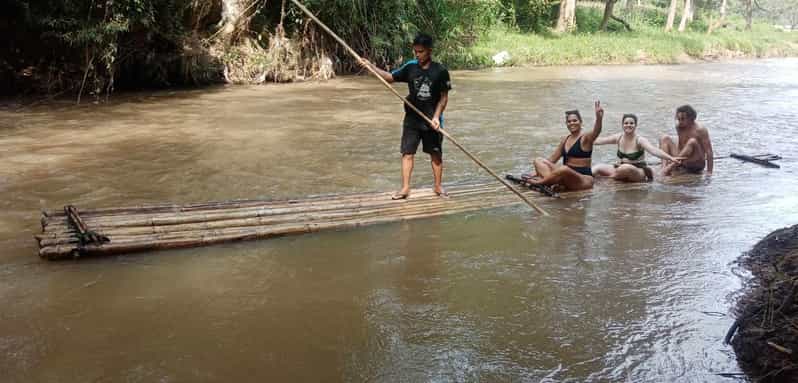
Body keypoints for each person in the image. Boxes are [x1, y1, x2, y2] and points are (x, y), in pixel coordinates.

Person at [359, 33, 452, 199]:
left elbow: (444, 98)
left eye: (421, 52)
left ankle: (438, 186)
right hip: (412, 119)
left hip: (432, 120)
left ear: (429, 51)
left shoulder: (440, 71)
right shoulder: (410, 67)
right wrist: (371, 67)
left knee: (435, 154)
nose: (417, 55)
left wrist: (437, 117)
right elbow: (390, 78)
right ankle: (405, 188)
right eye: (415, 51)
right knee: (407, 153)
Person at [526, 101, 604, 191]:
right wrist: (536, 172)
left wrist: (599, 118)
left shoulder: (585, 138)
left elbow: (596, 131)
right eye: (569, 121)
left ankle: (540, 183)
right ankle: (552, 183)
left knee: (564, 169)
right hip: (565, 176)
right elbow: (552, 160)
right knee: (538, 160)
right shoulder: (565, 139)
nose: (572, 123)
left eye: (575, 120)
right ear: (566, 124)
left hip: (583, 180)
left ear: (580, 122)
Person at [592, 114, 684, 182]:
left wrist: (670, 158)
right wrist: (582, 139)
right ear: (622, 125)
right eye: (626, 123)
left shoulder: (640, 140)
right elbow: (599, 141)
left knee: (626, 168)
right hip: (619, 167)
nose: (628, 125)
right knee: (597, 167)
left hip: (638, 171)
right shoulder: (618, 137)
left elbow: (653, 150)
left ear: (635, 125)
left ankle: (607, 181)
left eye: (631, 123)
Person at [659, 105, 714, 176]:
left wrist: (709, 172)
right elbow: (681, 145)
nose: (680, 122)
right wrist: (673, 158)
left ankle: (670, 167)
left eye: (683, 119)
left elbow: (709, 151)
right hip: (682, 159)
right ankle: (664, 167)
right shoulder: (679, 127)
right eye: (678, 119)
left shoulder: (700, 130)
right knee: (664, 138)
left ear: (691, 119)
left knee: (692, 141)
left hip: (696, 161)